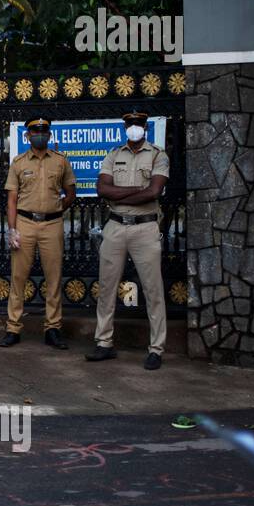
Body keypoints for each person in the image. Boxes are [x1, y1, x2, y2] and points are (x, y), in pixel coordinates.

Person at [86, 111, 171, 371]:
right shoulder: (114, 154)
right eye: (130, 124)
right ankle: (104, 343)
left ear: (145, 127)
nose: (134, 127)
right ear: (125, 127)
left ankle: (156, 348)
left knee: (153, 290)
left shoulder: (158, 154)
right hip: (115, 226)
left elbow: (155, 191)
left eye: (138, 124)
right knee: (107, 287)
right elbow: (102, 189)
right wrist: (139, 192)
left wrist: (120, 195)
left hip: (145, 229)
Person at [0, 116, 76, 349]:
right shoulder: (19, 162)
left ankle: (52, 328)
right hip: (25, 224)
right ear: (28, 136)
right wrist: (12, 230)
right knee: (18, 278)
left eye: (43, 131)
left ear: (49, 135)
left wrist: (54, 210)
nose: (39, 135)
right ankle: (13, 328)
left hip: (52, 225)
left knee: (53, 278)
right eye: (35, 132)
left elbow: (70, 192)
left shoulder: (60, 162)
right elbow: (11, 200)